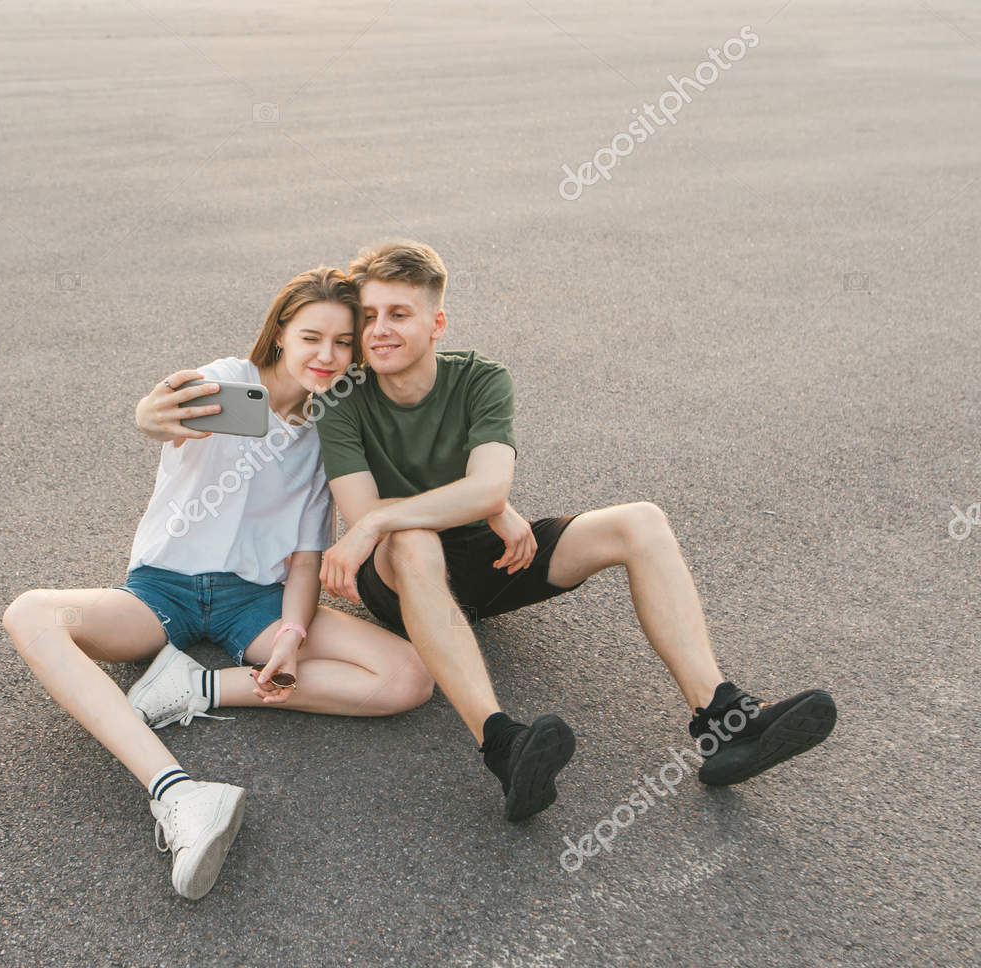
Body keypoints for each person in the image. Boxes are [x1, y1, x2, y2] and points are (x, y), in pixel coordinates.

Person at [305, 238, 837, 822]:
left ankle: (722, 717)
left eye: (399, 314)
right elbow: (365, 514)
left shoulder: (480, 379)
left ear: (437, 322)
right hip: (405, 577)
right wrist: (426, 513)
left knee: (642, 521)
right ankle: (502, 744)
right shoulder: (342, 401)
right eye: (371, 316)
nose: (379, 331)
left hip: (490, 560)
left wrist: (455, 509)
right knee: (410, 539)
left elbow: (483, 489)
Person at [3, 267, 441, 900]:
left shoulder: (328, 432)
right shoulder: (232, 383)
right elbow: (161, 415)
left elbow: (305, 555)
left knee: (408, 677)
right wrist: (151, 412)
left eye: (343, 343)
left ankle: (197, 687)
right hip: (162, 592)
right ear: (280, 333)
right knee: (31, 614)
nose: (326, 355)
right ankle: (179, 795)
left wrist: (292, 632)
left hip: (255, 602)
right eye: (311, 336)